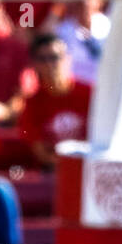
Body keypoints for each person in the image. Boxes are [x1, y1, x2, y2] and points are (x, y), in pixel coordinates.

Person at [19, 33, 91, 168]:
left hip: (88, 167)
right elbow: (42, 153)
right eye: (42, 59)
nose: (49, 64)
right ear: (34, 65)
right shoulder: (32, 103)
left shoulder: (90, 94)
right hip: (53, 172)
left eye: (54, 57)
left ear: (67, 59)